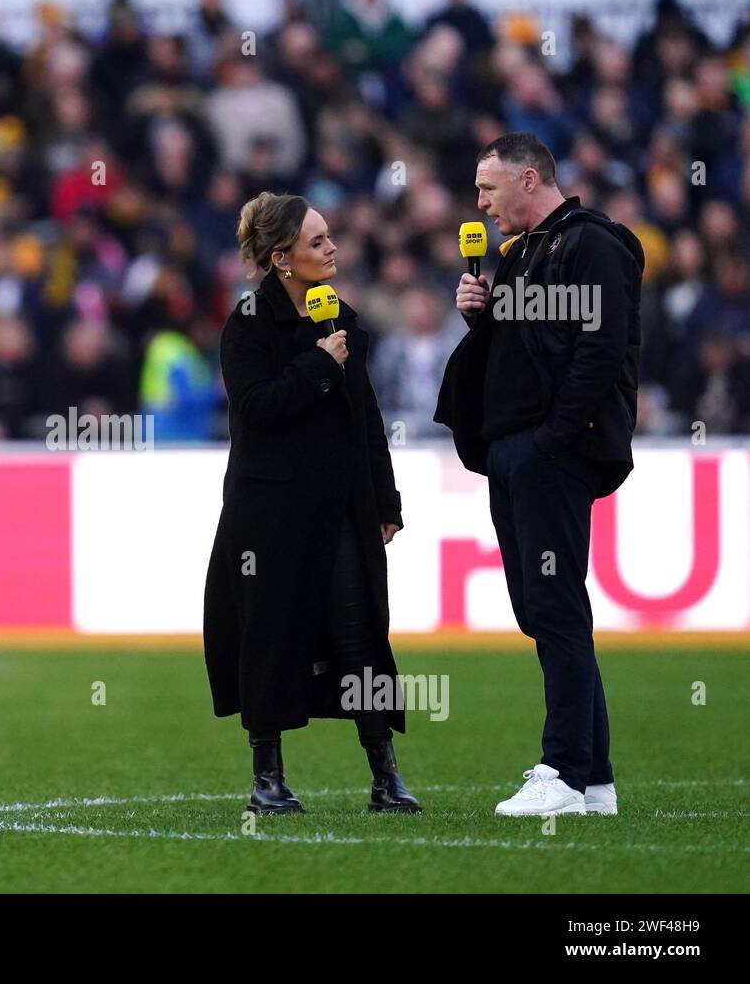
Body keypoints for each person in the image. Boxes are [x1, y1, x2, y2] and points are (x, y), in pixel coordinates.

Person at [435, 133, 643, 816]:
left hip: (548, 449)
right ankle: (595, 780)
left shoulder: (590, 243)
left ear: (529, 179)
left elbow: (601, 347)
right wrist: (483, 316)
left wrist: (556, 436)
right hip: (517, 448)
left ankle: (560, 771)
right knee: (546, 610)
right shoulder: (522, 255)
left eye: (487, 188)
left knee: (553, 605)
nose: (480, 203)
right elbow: (530, 353)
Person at [203, 191, 421, 815]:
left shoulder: (344, 319)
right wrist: (319, 365)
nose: (333, 249)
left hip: (342, 507)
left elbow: (367, 418)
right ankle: (267, 779)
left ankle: (385, 776)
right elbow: (255, 410)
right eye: (319, 241)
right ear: (281, 258)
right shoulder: (247, 323)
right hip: (269, 513)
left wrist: (385, 499)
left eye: (330, 237)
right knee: (268, 635)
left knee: (361, 637)